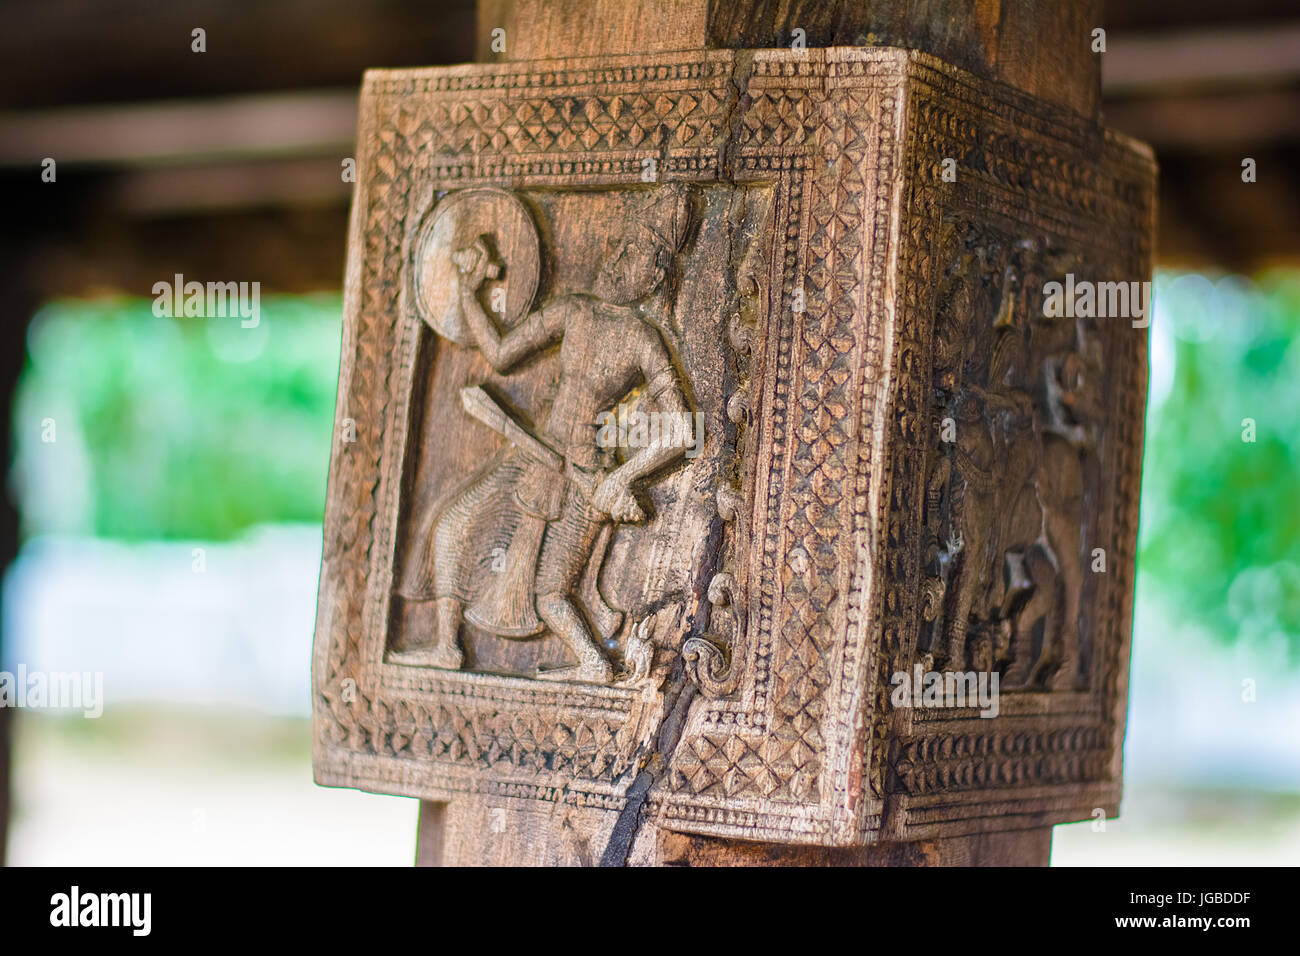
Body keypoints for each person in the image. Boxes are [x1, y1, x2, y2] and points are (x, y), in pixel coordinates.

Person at [396, 184, 698, 683]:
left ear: (657, 276)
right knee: (452, 527)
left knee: (551, 593)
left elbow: (683, 428)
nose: (624, 261)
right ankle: (448, 646)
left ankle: (594, 663)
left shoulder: (643, 339)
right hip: (534, 457)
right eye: (625, 247)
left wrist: (622, 478)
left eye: (641, 255)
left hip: (582, 473)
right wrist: (470, 291)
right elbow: (500, 354)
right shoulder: (575, 311)